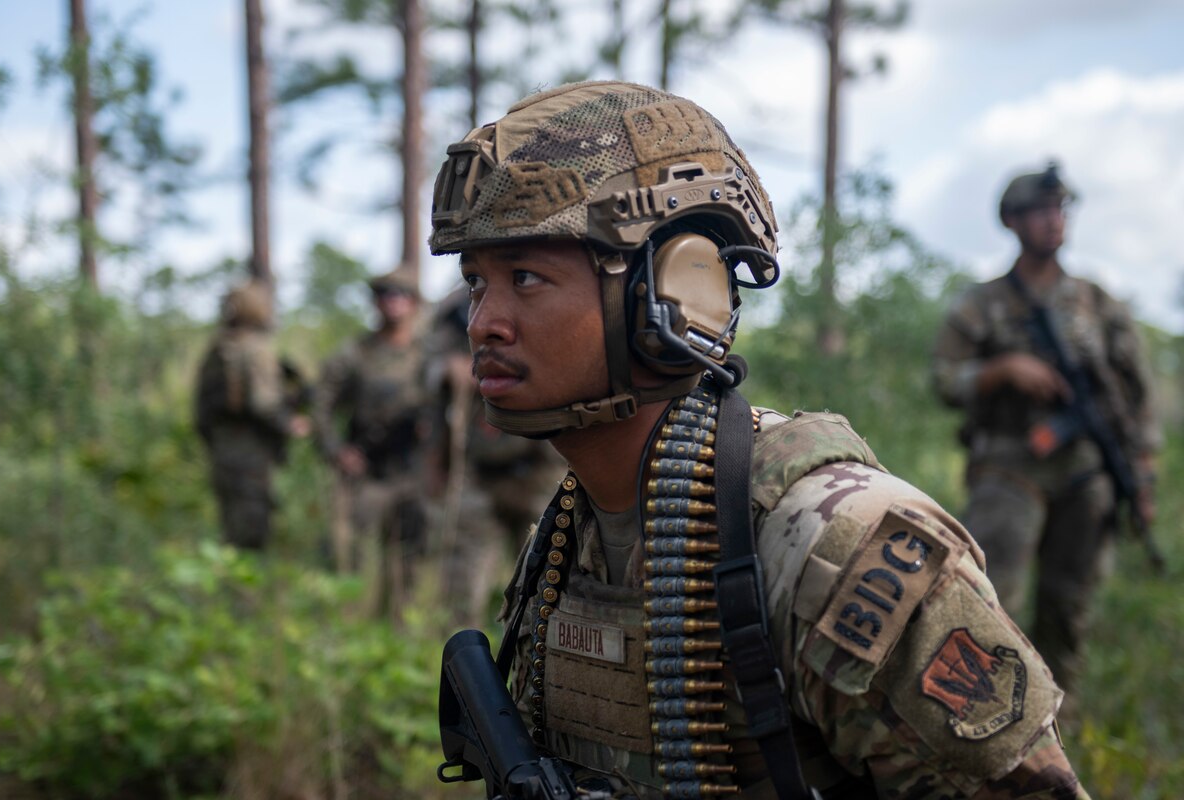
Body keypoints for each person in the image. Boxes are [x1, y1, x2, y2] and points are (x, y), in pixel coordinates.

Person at [429, 81, 1087, 798]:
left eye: (525, 278)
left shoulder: (832, 546)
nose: (483, 321)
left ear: (678, 292)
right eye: (476, 282)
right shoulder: (569, 534)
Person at [932, 162, 1159, 701]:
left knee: (1068, 607)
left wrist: (1144, 473)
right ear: (1011, 221)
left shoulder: (1097, 303)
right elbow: (942, 378)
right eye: (1040, 211)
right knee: (988, 599)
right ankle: (981, 714)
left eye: (1060, 209)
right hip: (1009, 464)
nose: (1053, 221)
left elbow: (1135, 394)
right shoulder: (982, 303)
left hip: (1085, 471)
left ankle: (1058, 720)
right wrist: (1001, 370)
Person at [425, 286, 566, 627]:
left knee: (548, 581)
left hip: (541, 470)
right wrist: (446, 371)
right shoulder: (456, 308)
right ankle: (458, 657)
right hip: (482, 469)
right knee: (461, 582)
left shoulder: (549, 285)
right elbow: (425, 371)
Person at [312, 270, 428, 616]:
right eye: (385, 295)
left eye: (401, 295)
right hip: (367, 472)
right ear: (376, 303)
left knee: (409, 559)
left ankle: (398, 632)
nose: (392, 302)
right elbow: (321, 403)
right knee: (354, 558)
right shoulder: (355, 353)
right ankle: (351, 628)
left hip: (414, 472)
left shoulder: (428, 356)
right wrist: (336, 451)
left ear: (414, 304)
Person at [195, 281, 296, 551]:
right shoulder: (256, 348)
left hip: (223, 451)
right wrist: (290, 425)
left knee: (231, 530)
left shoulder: (218, 348)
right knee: (251, 535)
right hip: (251, 455)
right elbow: (264, 405)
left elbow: (200, 413)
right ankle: (247, 592)